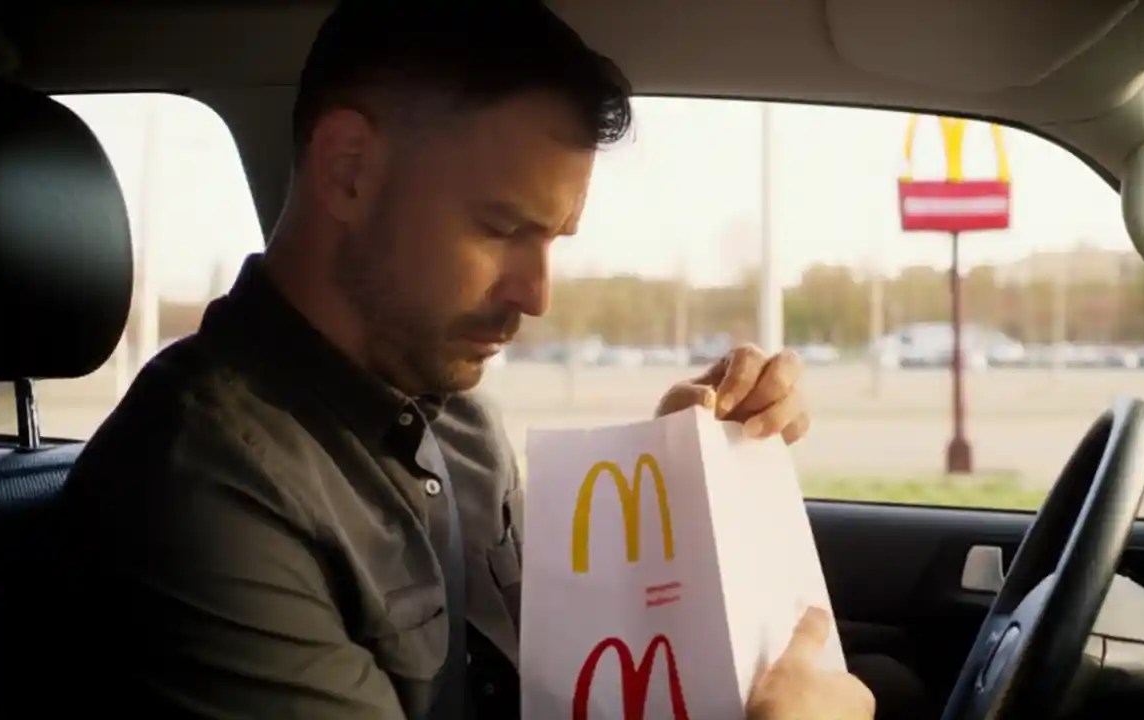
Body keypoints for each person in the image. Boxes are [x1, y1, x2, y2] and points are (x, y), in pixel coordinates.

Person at [42, 2, 876, 719]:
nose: (537, 295)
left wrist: (674, 484)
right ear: (350, 170)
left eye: (554, 238)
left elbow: (557, 676)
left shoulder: (453, 414)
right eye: (502, 228)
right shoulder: (200, 492)